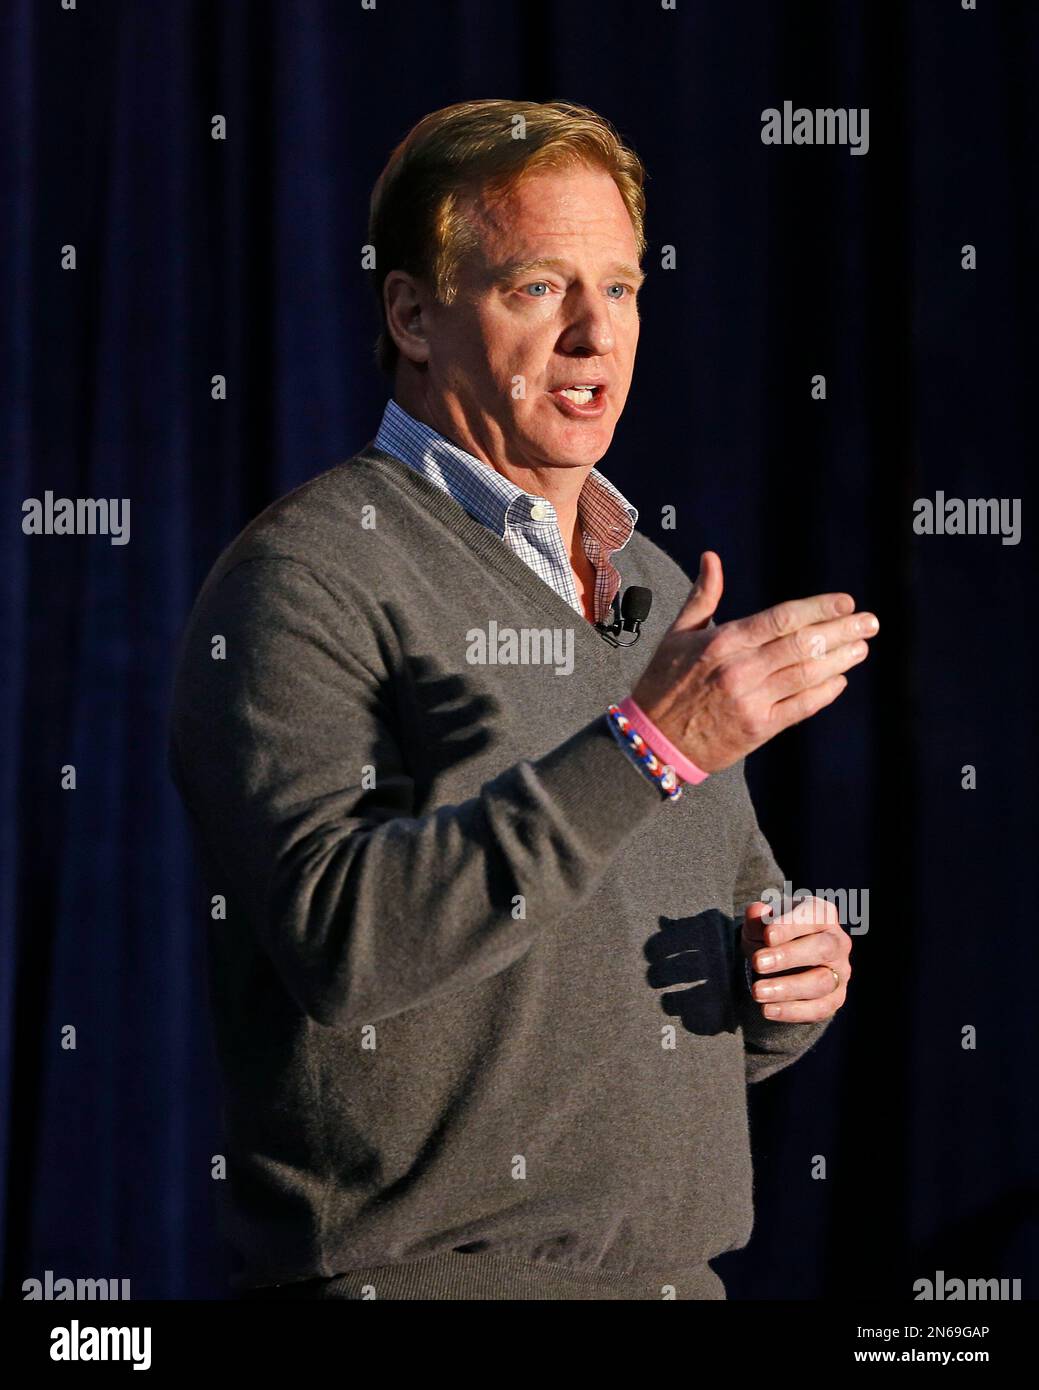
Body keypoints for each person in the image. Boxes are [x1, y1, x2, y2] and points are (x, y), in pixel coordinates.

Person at [168, 99, 877, 1301]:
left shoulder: (654, 591)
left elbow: (652, 935)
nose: (597, 335)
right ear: (411, 313)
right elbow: (345, 944)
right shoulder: (309, 577)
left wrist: (781, 981)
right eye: (539, 289)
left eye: (623, 286)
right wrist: (649, 742)